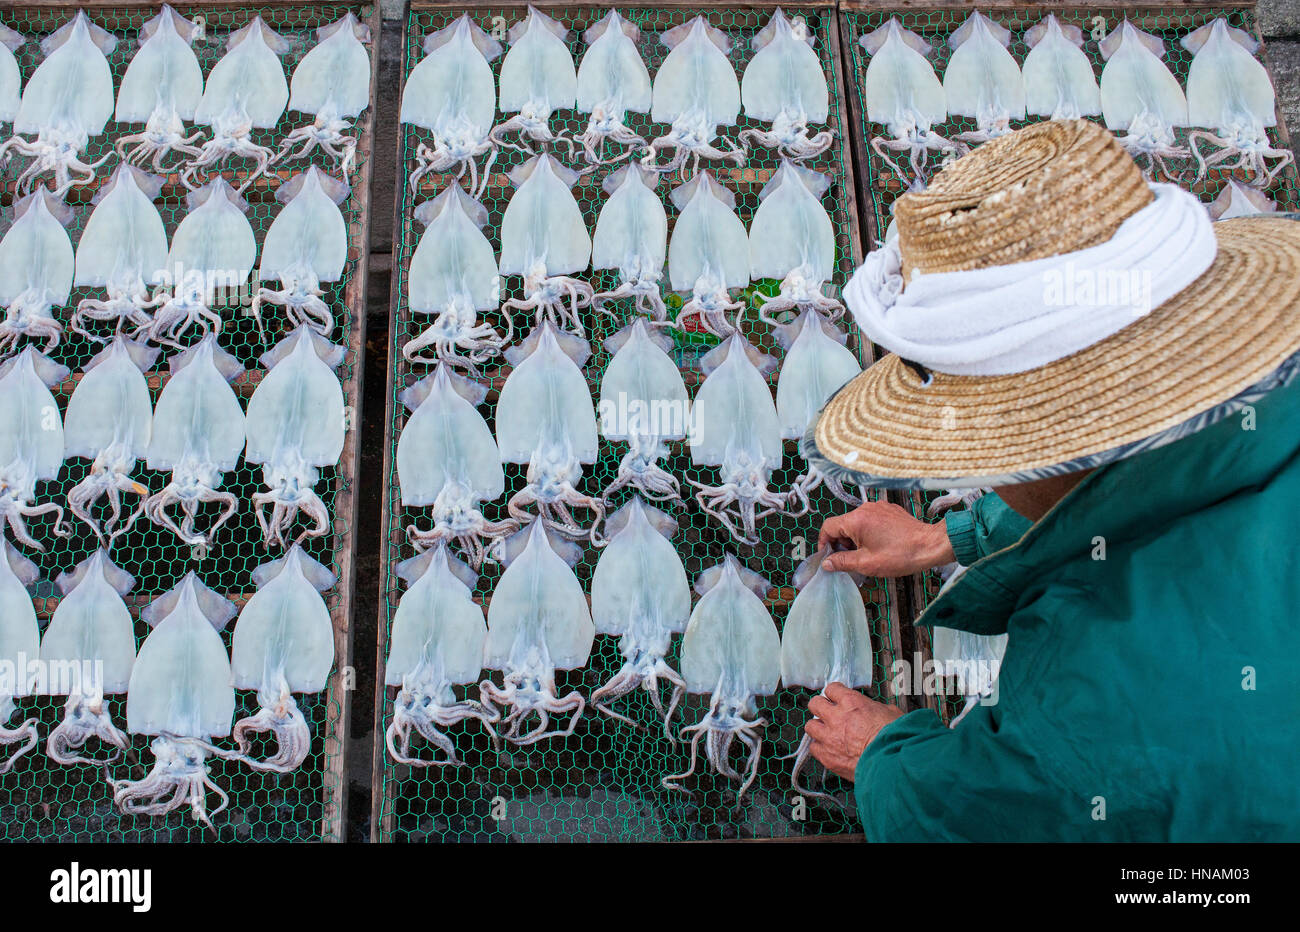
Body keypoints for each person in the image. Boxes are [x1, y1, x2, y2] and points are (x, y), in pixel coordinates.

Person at [800, 119, 1300, 841]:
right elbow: (1143, 483)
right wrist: (947, 539)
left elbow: (989, 814)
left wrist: (885, 754)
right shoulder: (1264, 408)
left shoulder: (1089, 696)